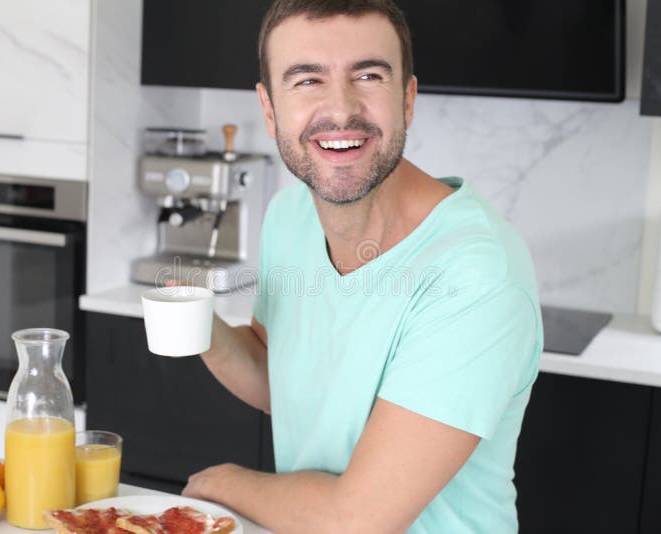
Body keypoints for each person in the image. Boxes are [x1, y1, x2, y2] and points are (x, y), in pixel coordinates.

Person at [180, 1, 542, 532]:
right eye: (307, 80)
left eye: (368, 75)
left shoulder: (475, 277)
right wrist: (199, 325)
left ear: (408, 99)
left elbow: (357, 520)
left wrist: (221, 485)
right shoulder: (290, 216)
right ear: (270, 108)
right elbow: (278, 379)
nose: (341, 108)